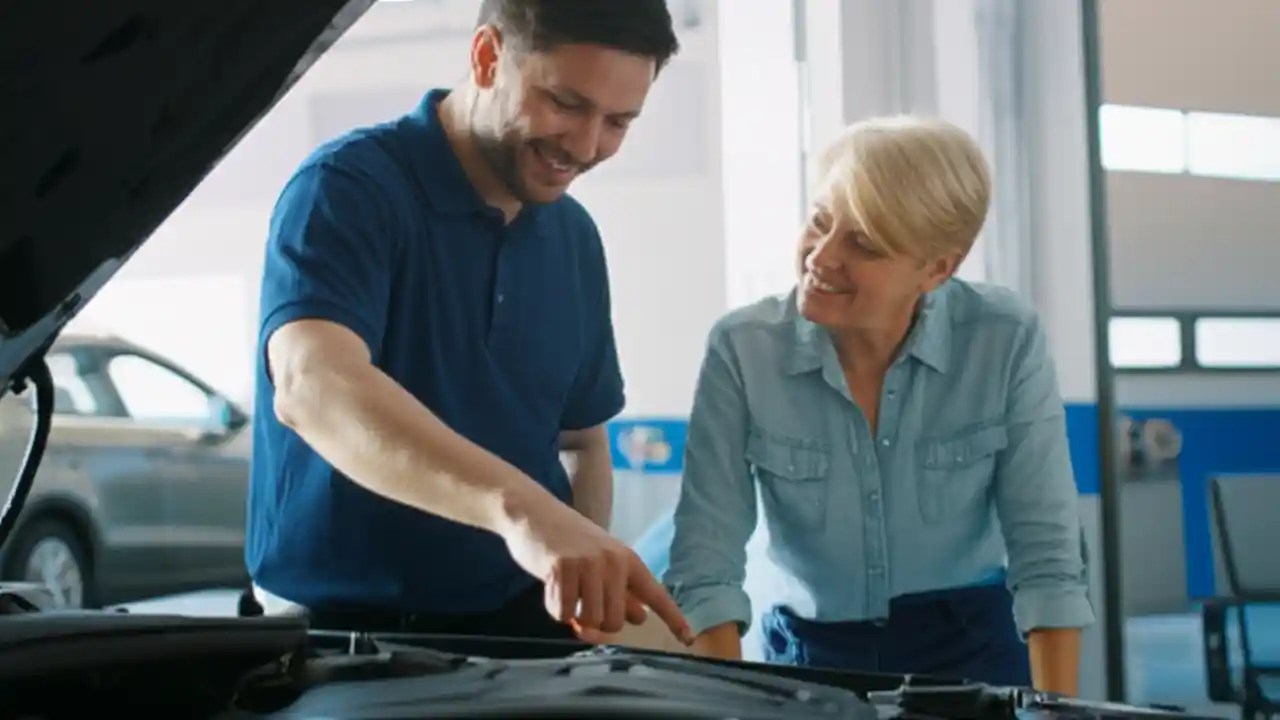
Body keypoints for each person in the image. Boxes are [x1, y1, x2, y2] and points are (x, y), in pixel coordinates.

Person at [244, 0, 693, 647]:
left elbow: (583, 443)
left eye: (619, 121)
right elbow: (314, 387)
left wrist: (580, 578)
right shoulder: (347, 189)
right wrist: (522, 513)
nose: (588, 146)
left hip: (516, 625)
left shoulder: (573, 237)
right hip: (339, 632)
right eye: (566, 102)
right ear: (486, 57)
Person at [663, 116, 1095, 694]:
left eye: (862, 243)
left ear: (938, 267)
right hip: (812, 658)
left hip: (973, 650)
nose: (821, 257)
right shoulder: (744, 348)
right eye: (820, 221)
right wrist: (735, 704)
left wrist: (1052, 710)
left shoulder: (1004, 337)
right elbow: (704, 562)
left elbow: (1047, 554)